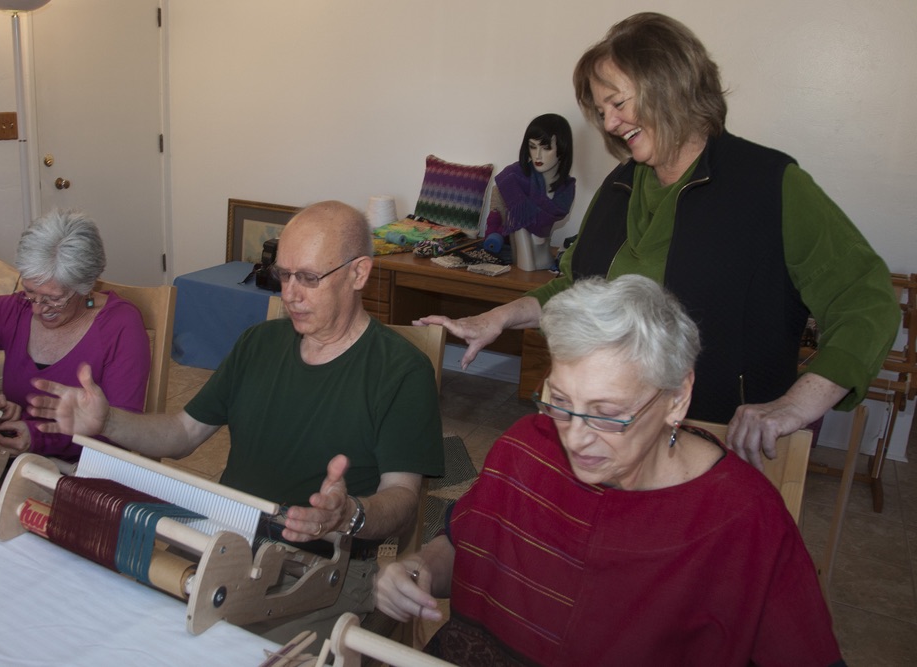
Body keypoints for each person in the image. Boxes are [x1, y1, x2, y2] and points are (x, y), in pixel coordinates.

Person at [417, 12, 899, 470]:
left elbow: (865, 299)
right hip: (617, 439)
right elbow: (577, 291)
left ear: (670, 85)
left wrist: (795, 406)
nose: (609, 124)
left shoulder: (771, 185)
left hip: (718, 442)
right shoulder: (620, 186)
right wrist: (496, 319)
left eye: (618, 103)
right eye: (601, 110)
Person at [26, 200, 444, 643]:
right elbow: (182, 432)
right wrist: (108, 421)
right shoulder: (258, 344)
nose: (290, 294)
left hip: (321, 572)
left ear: (359, 273)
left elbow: (402, 498)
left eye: (308, 278)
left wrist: (348, 514)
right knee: (112, 622)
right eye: (283, 275)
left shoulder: (400, 371)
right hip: (225, 544)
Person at [377, 275, 843, 666]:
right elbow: (466, 544)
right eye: (561, 402)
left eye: (607, 414)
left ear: (677, 399)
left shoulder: (742, 519)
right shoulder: (526, 449)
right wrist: (419, 569)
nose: (576, 437)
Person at [0, 209, 149, 461]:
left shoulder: (120, 325)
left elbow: (122, 432)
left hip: (81, 470)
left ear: (86, 286)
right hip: (12, 462)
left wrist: (38, 438)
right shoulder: (12, 310)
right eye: (30, 292)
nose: (38, 309)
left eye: (54, 299)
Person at [482, 113, 576, 271]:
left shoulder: (566, 189)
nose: (537, 155)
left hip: (547, 261)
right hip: (524, 263)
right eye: (533, 147)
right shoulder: (515, 183)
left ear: (562, 148)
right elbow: (522, 234)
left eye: (546, 148)